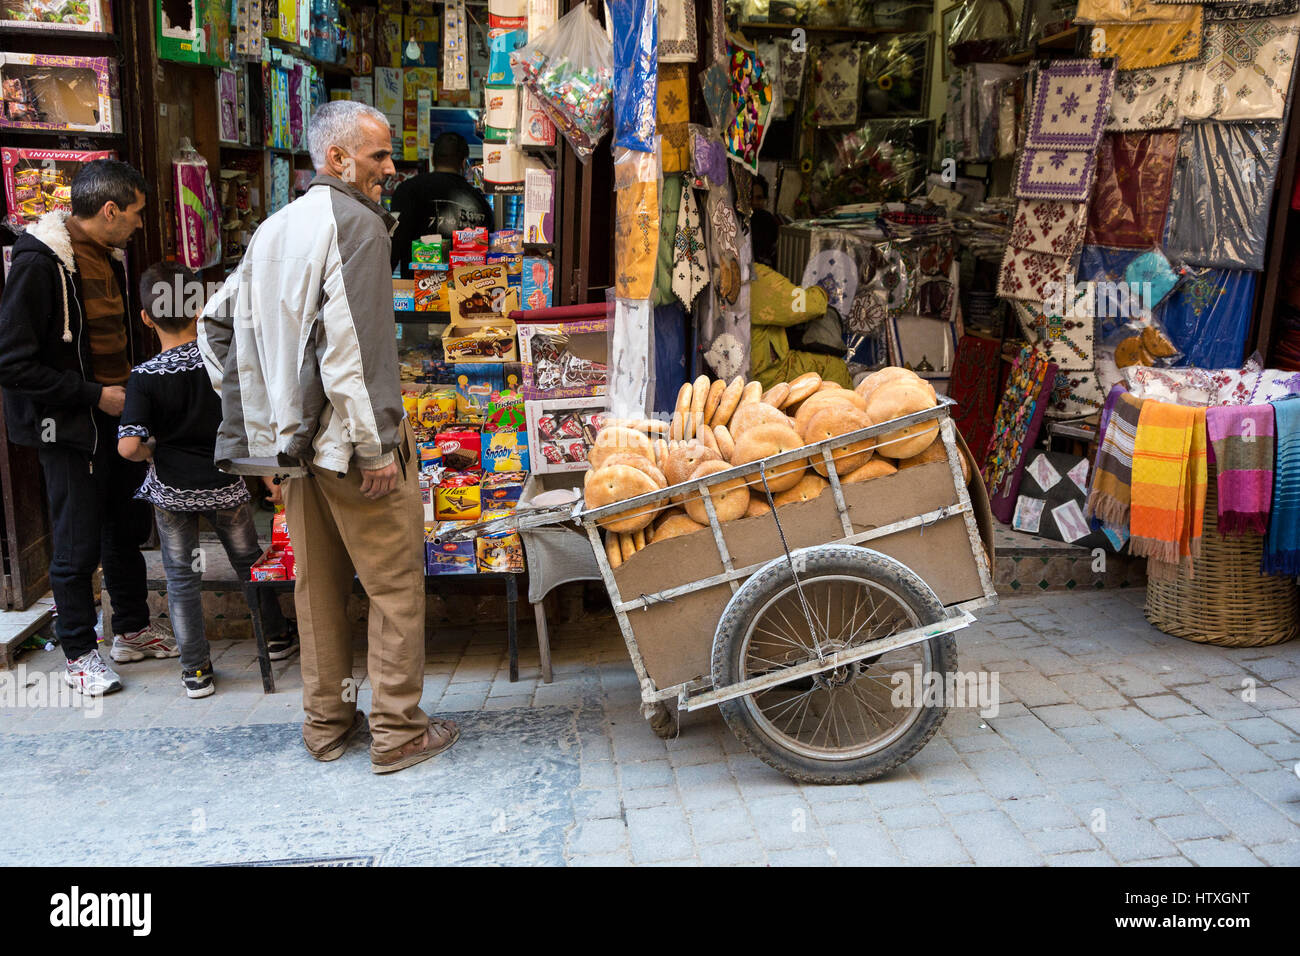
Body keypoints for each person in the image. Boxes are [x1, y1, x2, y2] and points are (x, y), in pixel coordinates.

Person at [198, 100, 459, 773]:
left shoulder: (275, 229)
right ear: (337, 158)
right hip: (350, 450)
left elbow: (213, 325)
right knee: (395, 589)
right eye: (377, 156)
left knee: (316, 593)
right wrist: (374, 446)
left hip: (296, 454)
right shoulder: (358, 225)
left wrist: (265, 420)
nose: (390, 168)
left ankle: (326, 727)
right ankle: (399, 733)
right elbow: (355, 350)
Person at [0, 159, 177, 696]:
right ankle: (77, 650)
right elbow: (12, 362)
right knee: (76, 544)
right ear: (109, 210)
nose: (140, 224)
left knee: (124, 531)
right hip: (70, 427)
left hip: (115, 419)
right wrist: (93, 395)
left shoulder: (105, 256)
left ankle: (131, 629)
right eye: (136, 214)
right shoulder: (40, 263)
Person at [117, 261, 297, 699]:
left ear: (146, 318)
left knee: (181, 579)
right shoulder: (223, 364)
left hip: (172, 492)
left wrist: (151, 451)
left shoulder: (144, 377)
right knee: (249, 563)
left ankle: (196, 671)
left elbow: (128, 446)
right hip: (225, 485)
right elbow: (252, 421)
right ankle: (274, 638)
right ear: (198, 310)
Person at [748, 209, 853, 390]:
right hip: (766, 373)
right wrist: (821, 292)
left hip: (744, 362)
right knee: (835, 367)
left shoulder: (734, 272)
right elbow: (807, 306)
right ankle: (845, 415)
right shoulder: (758, 278)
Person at [389, 131, 494, 278]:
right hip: (465, 289)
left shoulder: (407, 190)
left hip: (418, 292)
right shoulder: (480, 200)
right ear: (464, 162)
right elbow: (489, 251)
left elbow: (393, 244)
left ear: (432, 159)